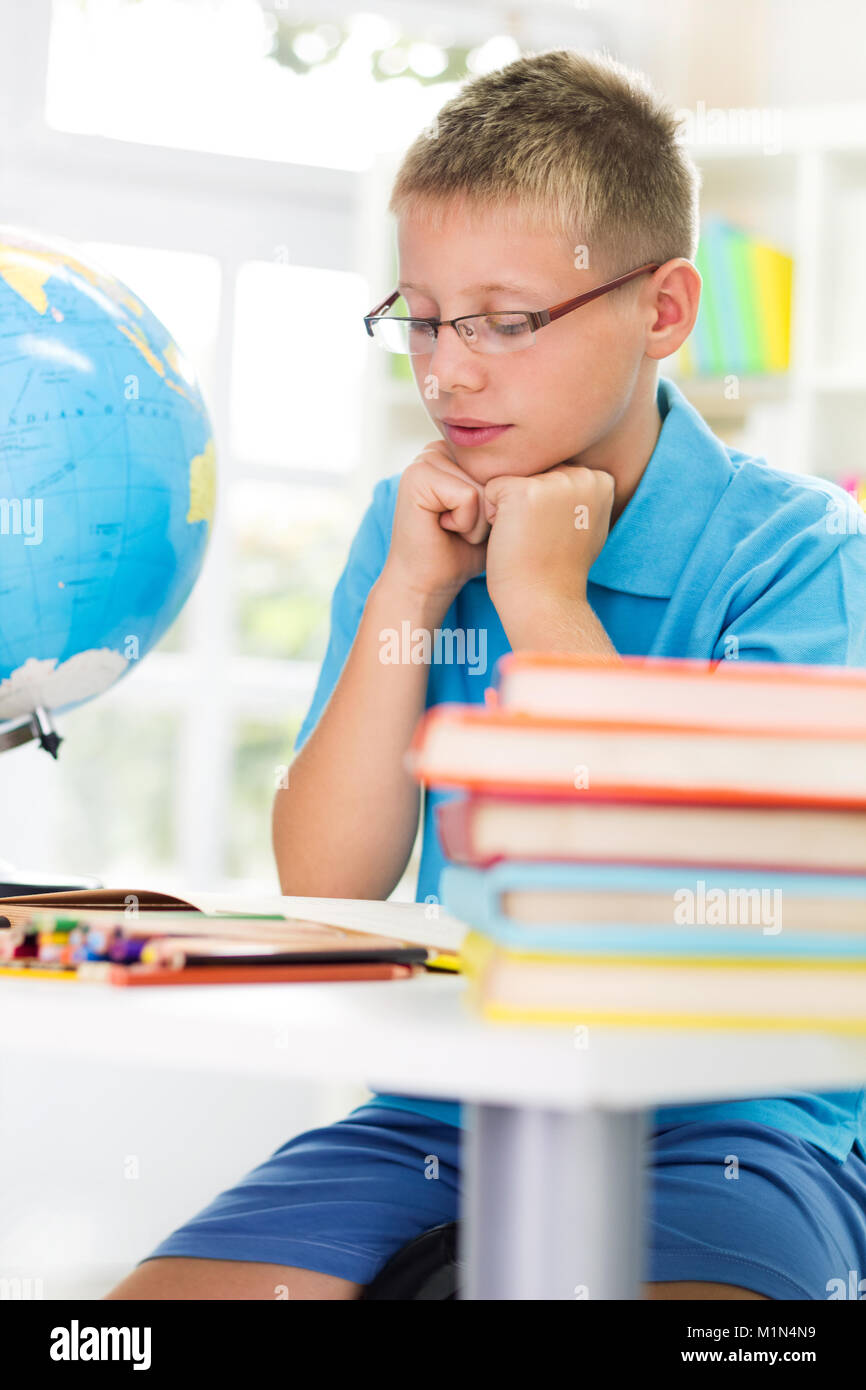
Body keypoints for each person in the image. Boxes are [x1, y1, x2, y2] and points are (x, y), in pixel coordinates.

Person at [106, 48, 866, 1302]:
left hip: (732, 1124)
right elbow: (329, 884)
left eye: (504, 322)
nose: (445, 368)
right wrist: (408, 591)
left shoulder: (800, 557)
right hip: (441, 1112)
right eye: (418, 316)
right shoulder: (409, 531)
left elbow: (704, 903)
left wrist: (543, 600)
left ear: (663, 311)